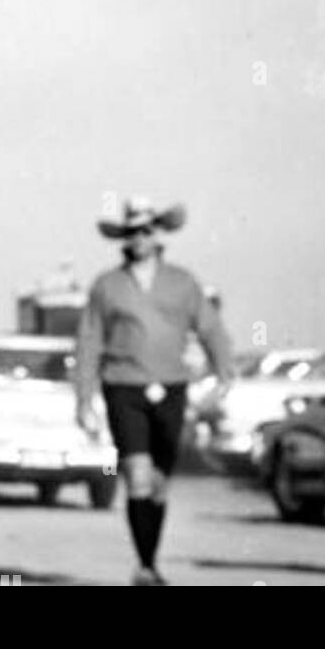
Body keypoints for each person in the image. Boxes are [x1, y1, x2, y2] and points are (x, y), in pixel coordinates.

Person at [75, 196, 234, 585]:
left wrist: (224, 373)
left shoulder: (183, 281)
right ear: (123, 238)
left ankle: (151, 558)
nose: (139, 238)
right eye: (132, 232)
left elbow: (210, 328)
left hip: (172, 388)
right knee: (138, 475)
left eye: (146, 230)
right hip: (122, 387)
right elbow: (89, 340)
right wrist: (83, 398)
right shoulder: (106, 285)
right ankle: (145, 568)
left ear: (158, 234)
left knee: (160, 484)